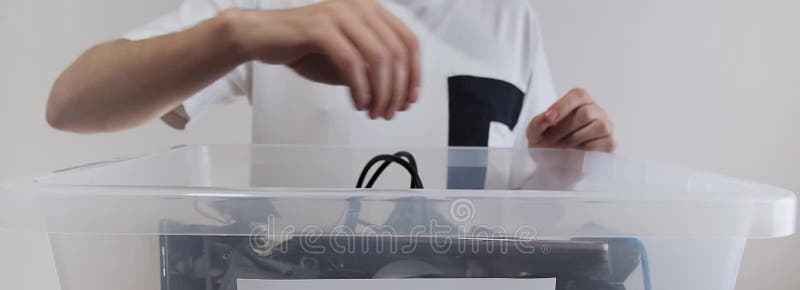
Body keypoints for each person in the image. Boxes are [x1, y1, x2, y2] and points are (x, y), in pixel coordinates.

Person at [46, 0, 615, 160]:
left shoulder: (508, 17)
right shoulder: (271, 9)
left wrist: (564, 154)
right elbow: (72, 104)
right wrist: (237, 35)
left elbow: (525, 200)